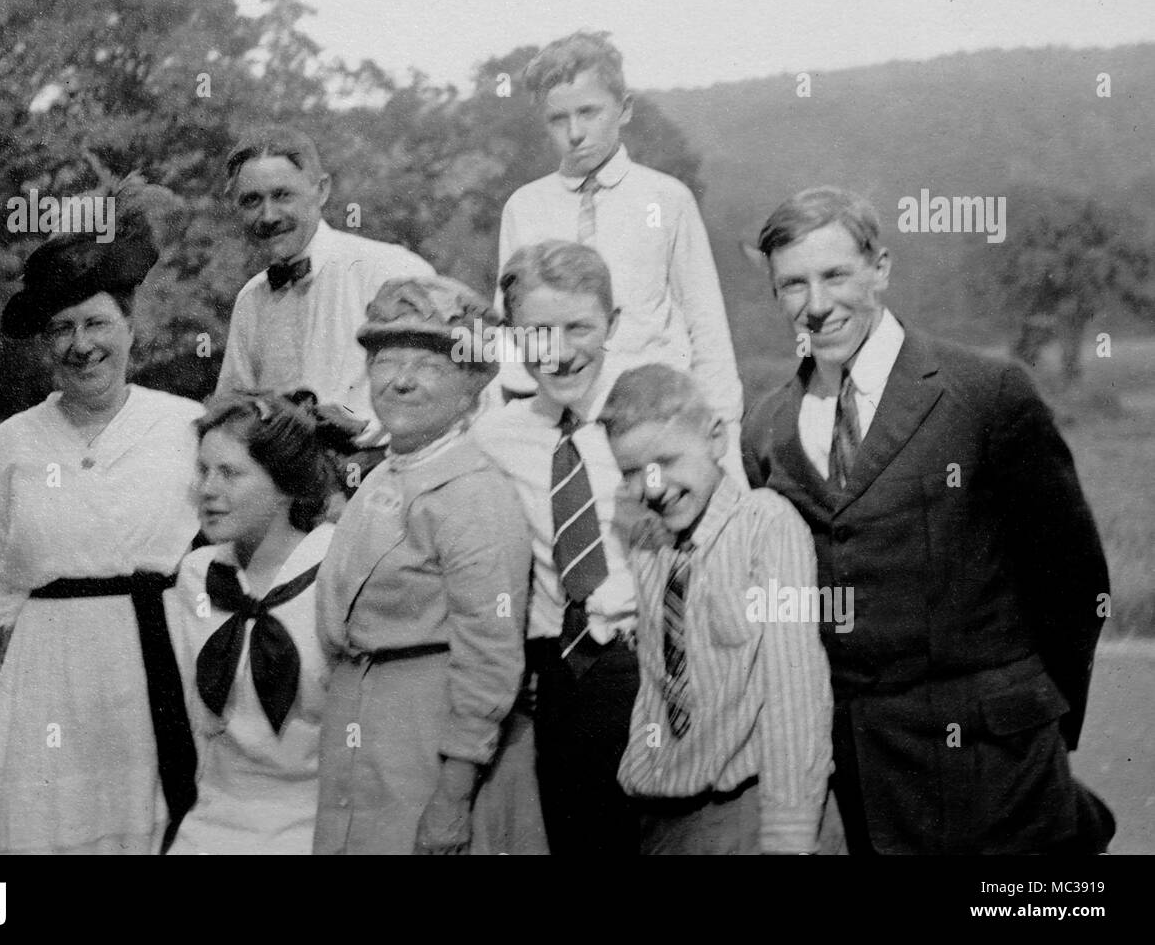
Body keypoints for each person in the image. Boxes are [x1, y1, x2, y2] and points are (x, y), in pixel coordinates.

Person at [741, 186, 1116, 855]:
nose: (816, 304)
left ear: (880, 267)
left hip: (1000, 776)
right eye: (792, 284)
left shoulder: (986, 393)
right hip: (865, 787)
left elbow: (1073, 582)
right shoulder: (768, 429)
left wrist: (1031, 722)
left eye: (835, 274)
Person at [0, 188, 202, 854]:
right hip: (47, 678)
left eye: (96, 323)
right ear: (43, 343)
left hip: (160, 676)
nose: (81, 344)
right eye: (61, 328)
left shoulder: (185, 426)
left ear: (129, 325)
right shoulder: (9, 445)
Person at [313, 276, 531, 854]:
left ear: (472, 391)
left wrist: (452, 799)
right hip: (363, 736)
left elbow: (491, 659)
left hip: (428, 745)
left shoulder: (476, 494)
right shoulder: (384, 476)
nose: (401, 380)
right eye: (386, 360)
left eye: (429, 365)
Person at [599, 364, 836, 855]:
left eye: (666, 460)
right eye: (631, 473)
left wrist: (790, 836)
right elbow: (657, 685)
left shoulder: (765, 526)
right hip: (668, 816)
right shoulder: (648, 545)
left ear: (714, 437)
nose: (654, 487)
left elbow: (796, 692)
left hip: (756, 811)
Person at [496, 31, 745, 483]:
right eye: (558, 119)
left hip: (654, 420)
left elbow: (706, 324)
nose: (575, 133)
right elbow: (511, 330)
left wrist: (724, 436)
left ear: (624, 109)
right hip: (560, 421)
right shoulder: (525, 207)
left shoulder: (667, 199)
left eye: (589, 112)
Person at [472, 240, 640, 854]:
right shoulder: (494, 440)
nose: (562, 352)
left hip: (648, 665)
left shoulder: (650, 418)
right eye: (539, 333)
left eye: (580, 328)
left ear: (612, 325)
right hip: (560, 679)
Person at [165, 392, 345, 854]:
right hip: (211, 819)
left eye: (230, 473)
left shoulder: (337, 568)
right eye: (203, 470)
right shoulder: (197, 575)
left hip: (315, 825)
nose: (207, 489)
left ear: (284, 486)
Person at [215, 126, 433, 444]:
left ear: (321, 190)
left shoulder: (390, 271)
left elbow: (443, 386)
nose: (268, 216)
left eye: (282, 195)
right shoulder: (251, 299)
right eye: (251, 201)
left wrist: (365, 431)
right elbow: (231, 411)